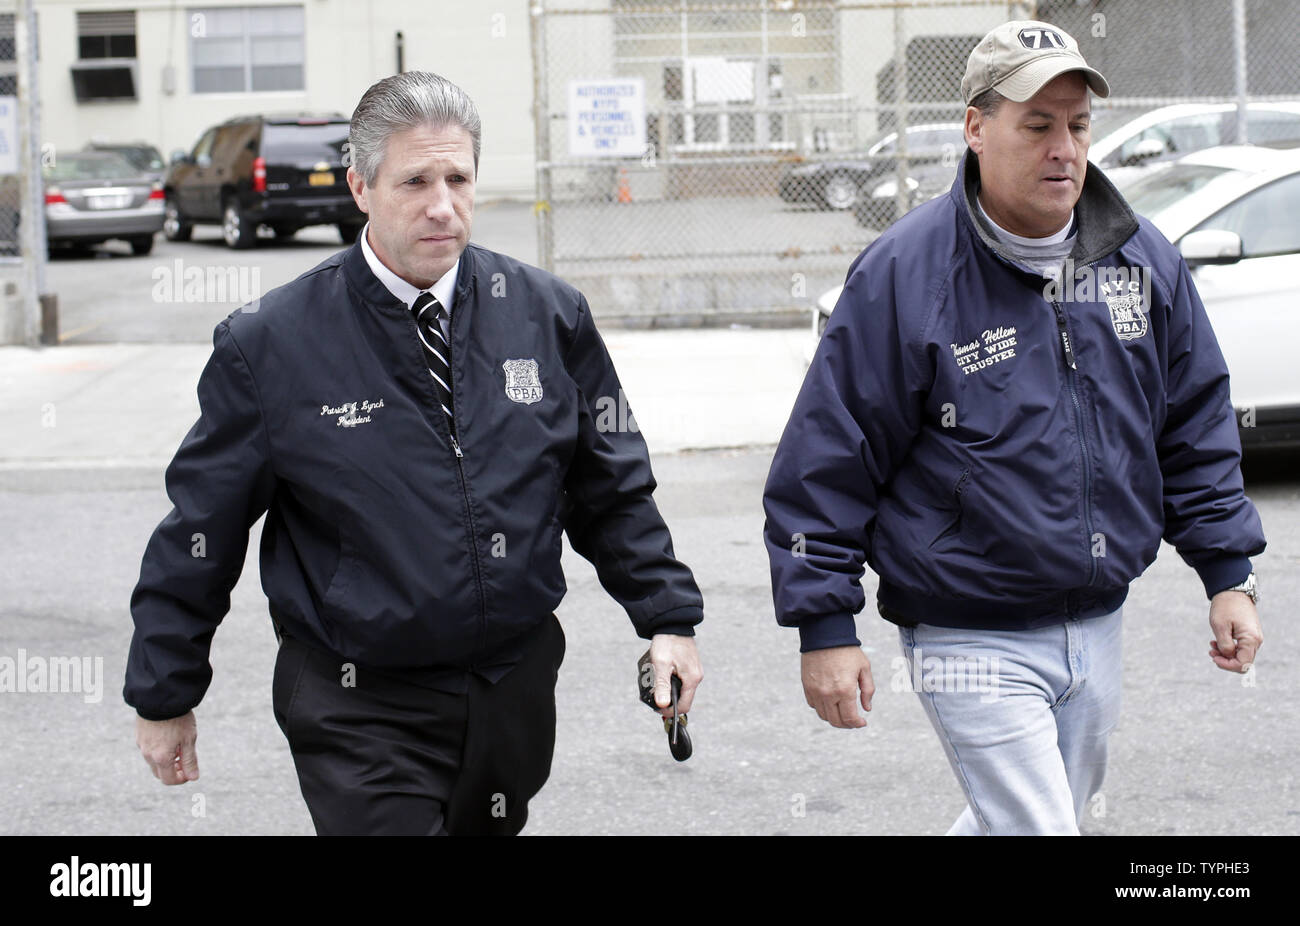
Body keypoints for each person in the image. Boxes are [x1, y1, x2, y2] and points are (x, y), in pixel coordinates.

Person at [125, 71, 704, 836]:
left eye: (458, 177)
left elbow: (609, 487)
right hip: (357, 702)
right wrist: (165, 691)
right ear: (360, 186)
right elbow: (202, 526)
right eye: (416, 181)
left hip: (511, 687)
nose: (443, 205)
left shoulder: (546, 314)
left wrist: (667, 617)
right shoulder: (270, 344)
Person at [762, 20, 1265, 835]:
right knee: (1040, 829)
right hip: (966, 626)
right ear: (975, 126)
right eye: (1037, 125)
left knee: (1033, 819)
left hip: (1096, 620)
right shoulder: (904, 274)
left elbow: (1194, 425)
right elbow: (831, 453)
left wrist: (1228, 573)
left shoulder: (1141, 261)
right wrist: (825, 623)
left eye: (1076, 125)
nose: (1063, 148)